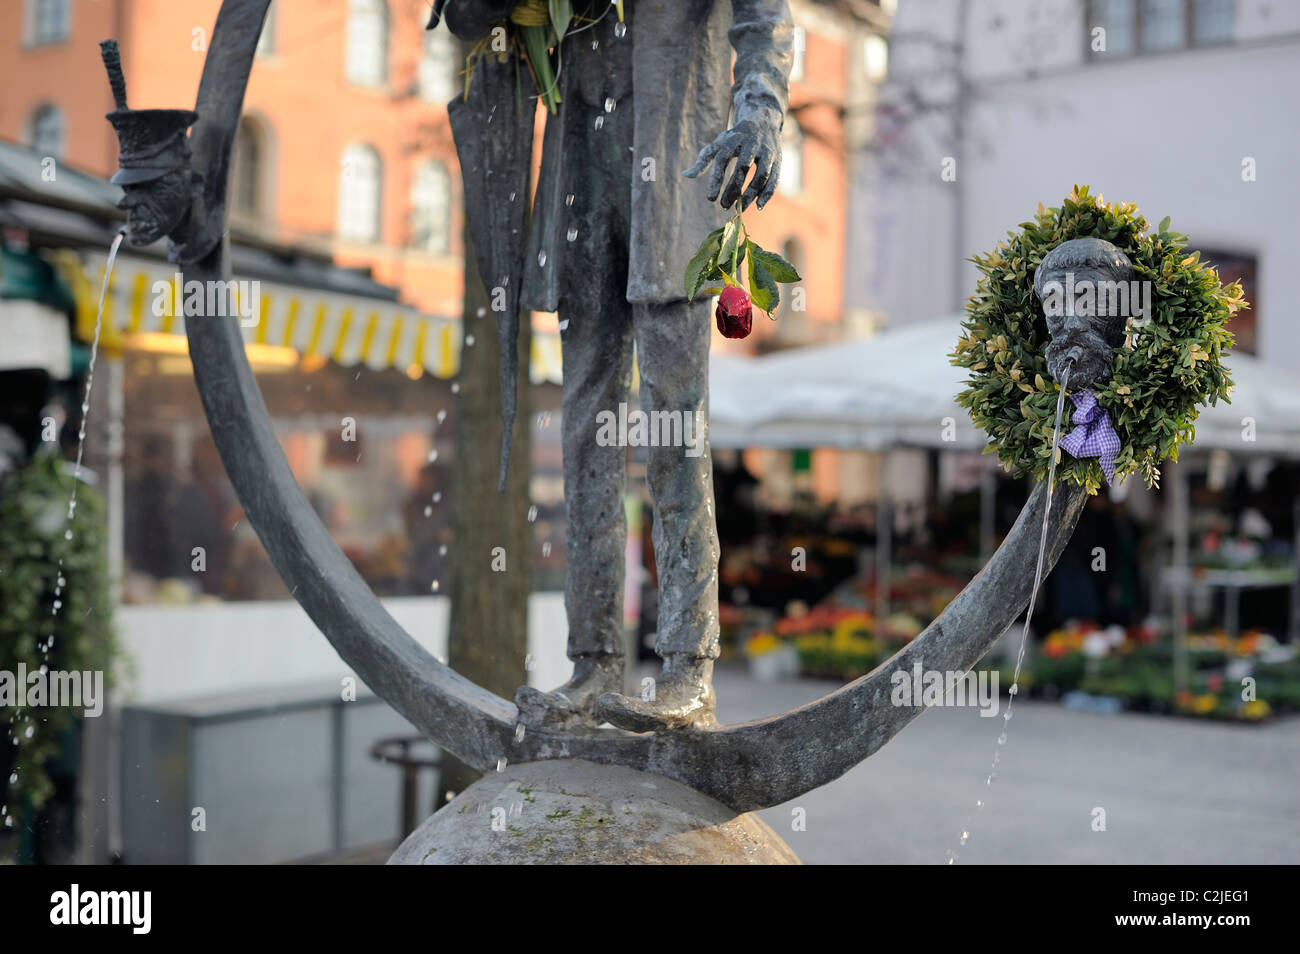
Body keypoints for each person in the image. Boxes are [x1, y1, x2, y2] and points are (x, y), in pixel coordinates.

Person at [443, 1, 793, 730]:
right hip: (582, 175)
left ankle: (688, 669)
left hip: (676, 172)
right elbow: (468, 19)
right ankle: (593, 663)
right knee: (584, 429)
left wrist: (760, 113)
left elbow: (763, 21)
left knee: (675, 431)